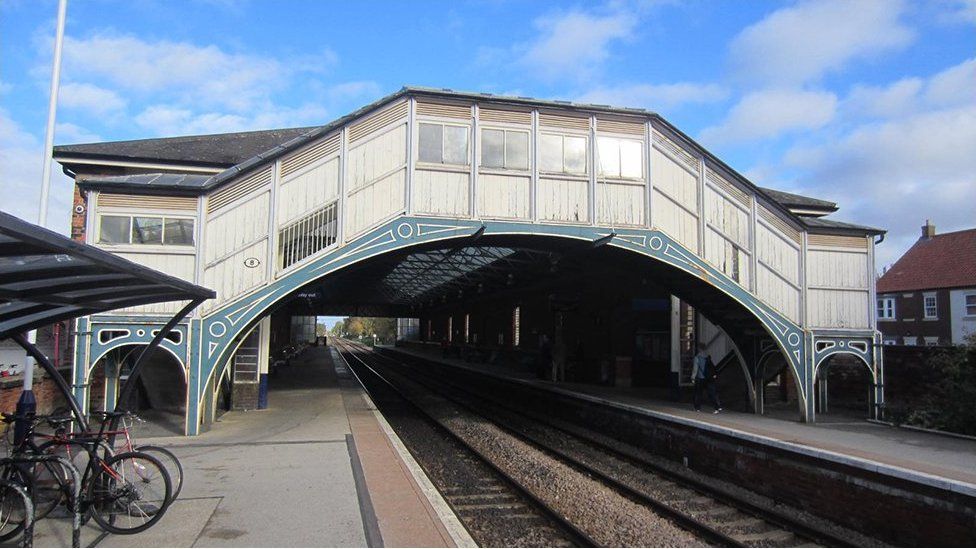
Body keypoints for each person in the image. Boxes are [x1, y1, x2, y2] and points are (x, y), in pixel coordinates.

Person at [692, 344, 722, 413]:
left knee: (698, 393)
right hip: (709, 377)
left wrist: (693, 378)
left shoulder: (697, 357)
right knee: (712, 393)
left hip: (700, 378)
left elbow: (695, 369)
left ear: (699, 349)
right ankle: (717, 407)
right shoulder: (708, 357)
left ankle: (697, 408)